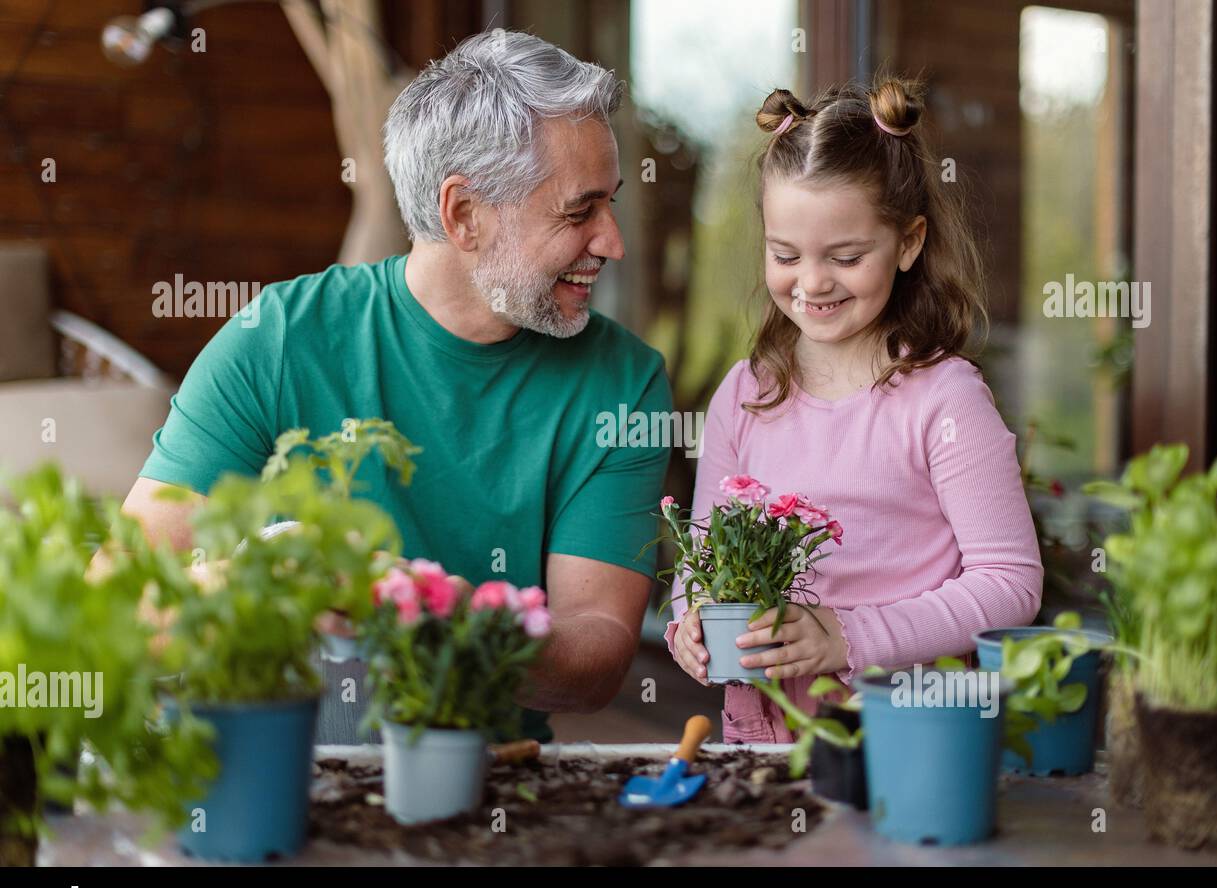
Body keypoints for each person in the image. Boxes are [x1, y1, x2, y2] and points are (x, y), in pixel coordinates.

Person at [118, 31, 672, 743]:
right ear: (463, 214)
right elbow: (131, 597)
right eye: (578, 211)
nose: (613, 242)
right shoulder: (279, 341)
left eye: (612, 204)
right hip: (278, 770)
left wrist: (455, 621)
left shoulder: (622, 382)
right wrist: (260, 584)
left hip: (489, 780)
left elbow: (596, 656)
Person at [666, 78, 1043, 743]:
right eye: (785, 255)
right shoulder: (743, 393)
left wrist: (848, 636)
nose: (811, 282)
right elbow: (703, 557)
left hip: (899, 738)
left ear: (908, 243)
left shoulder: (945, 400)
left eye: (845, 257)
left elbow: (1010, 583)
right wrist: (691, 619)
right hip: (760, 740)